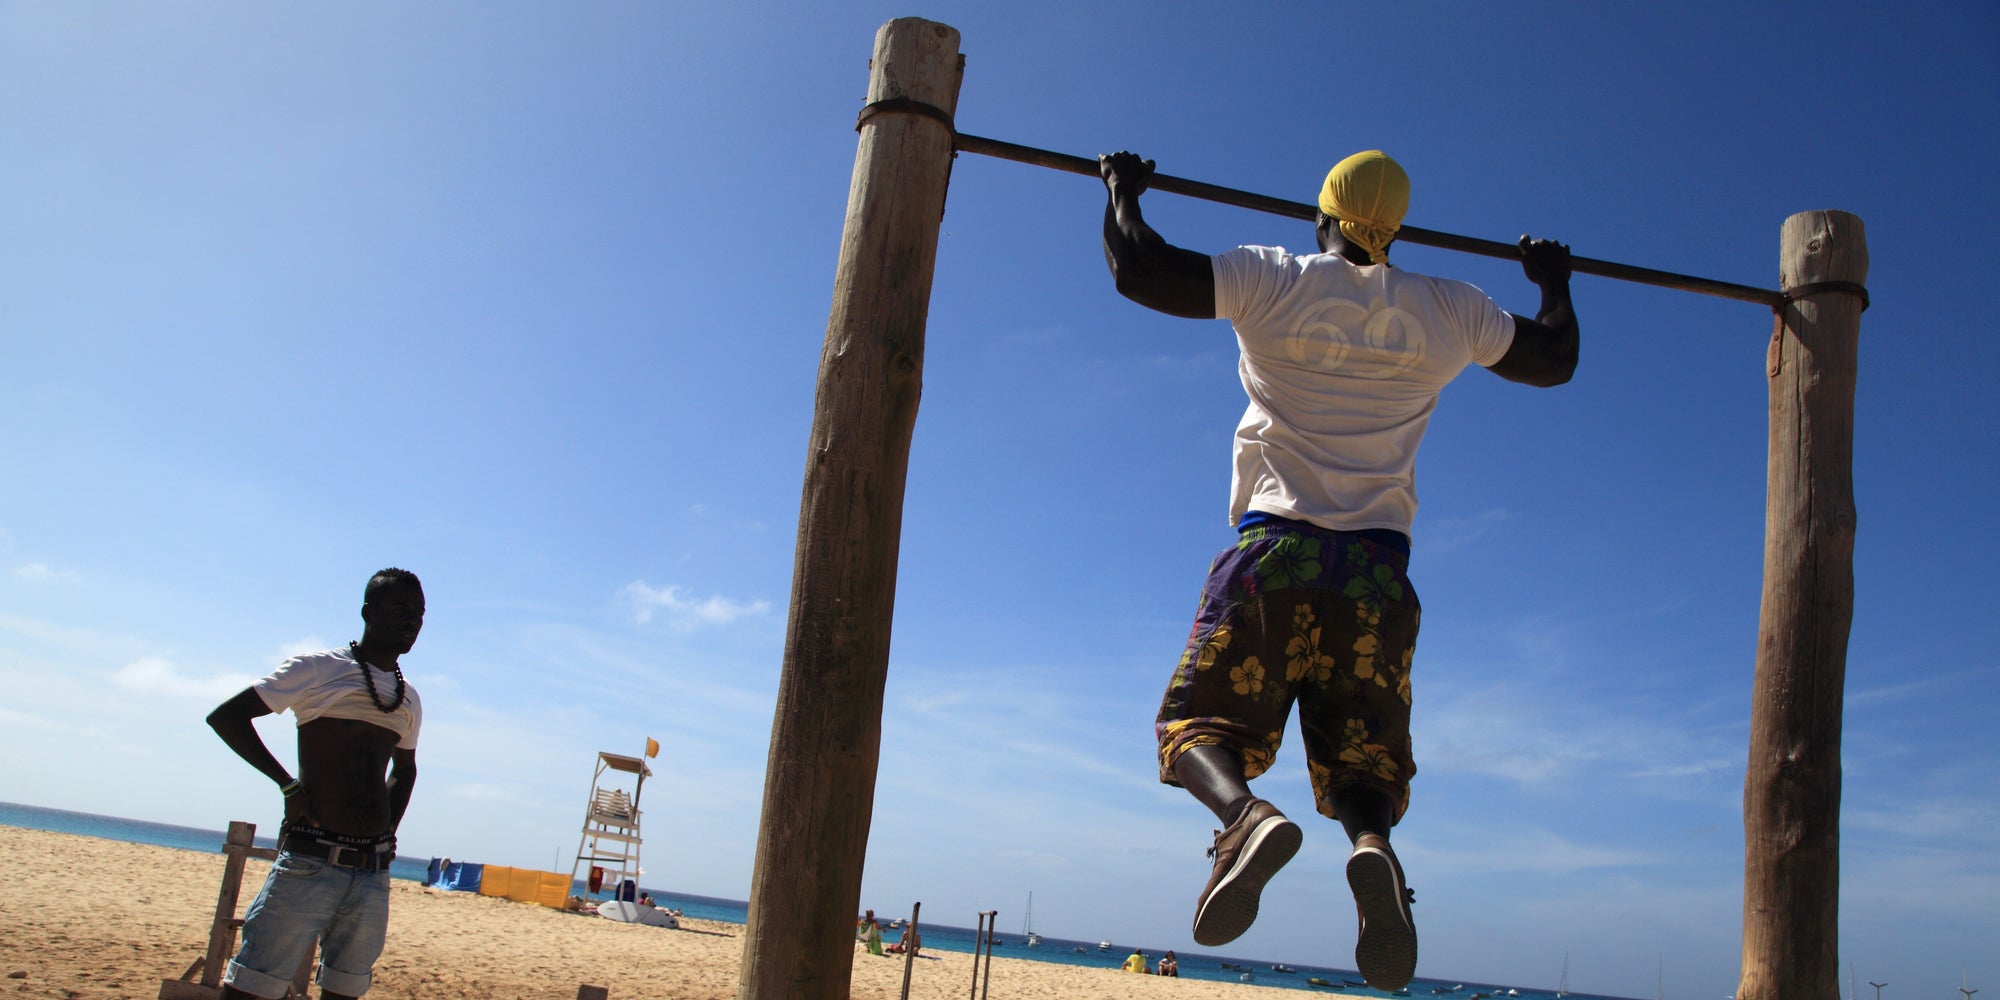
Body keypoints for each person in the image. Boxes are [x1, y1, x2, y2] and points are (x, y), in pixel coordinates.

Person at [1099, 149, 1578, 992]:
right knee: (1363, 760)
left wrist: (1121, 191)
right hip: (1375, 572)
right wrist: (1551, 281)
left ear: (1320, 216)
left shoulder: (1274, 278)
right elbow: (1552, 359)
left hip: (1274, 549)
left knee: (1198, 729)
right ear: (1395, 228)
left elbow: (1141, 271)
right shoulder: (1451, 308)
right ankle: (1373, 849)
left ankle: (1244, 817)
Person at [205, 568, 427, 1000]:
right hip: (311, 860)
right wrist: (287, 786)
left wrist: (388, 831)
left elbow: (405, 770)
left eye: (419, 614)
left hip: (371, 874)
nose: (412, 622)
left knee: (345, 991)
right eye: (401, 610)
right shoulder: (318, 669)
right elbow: (226, 718)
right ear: (368, 612)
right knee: (252, 988)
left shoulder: (409, 697)